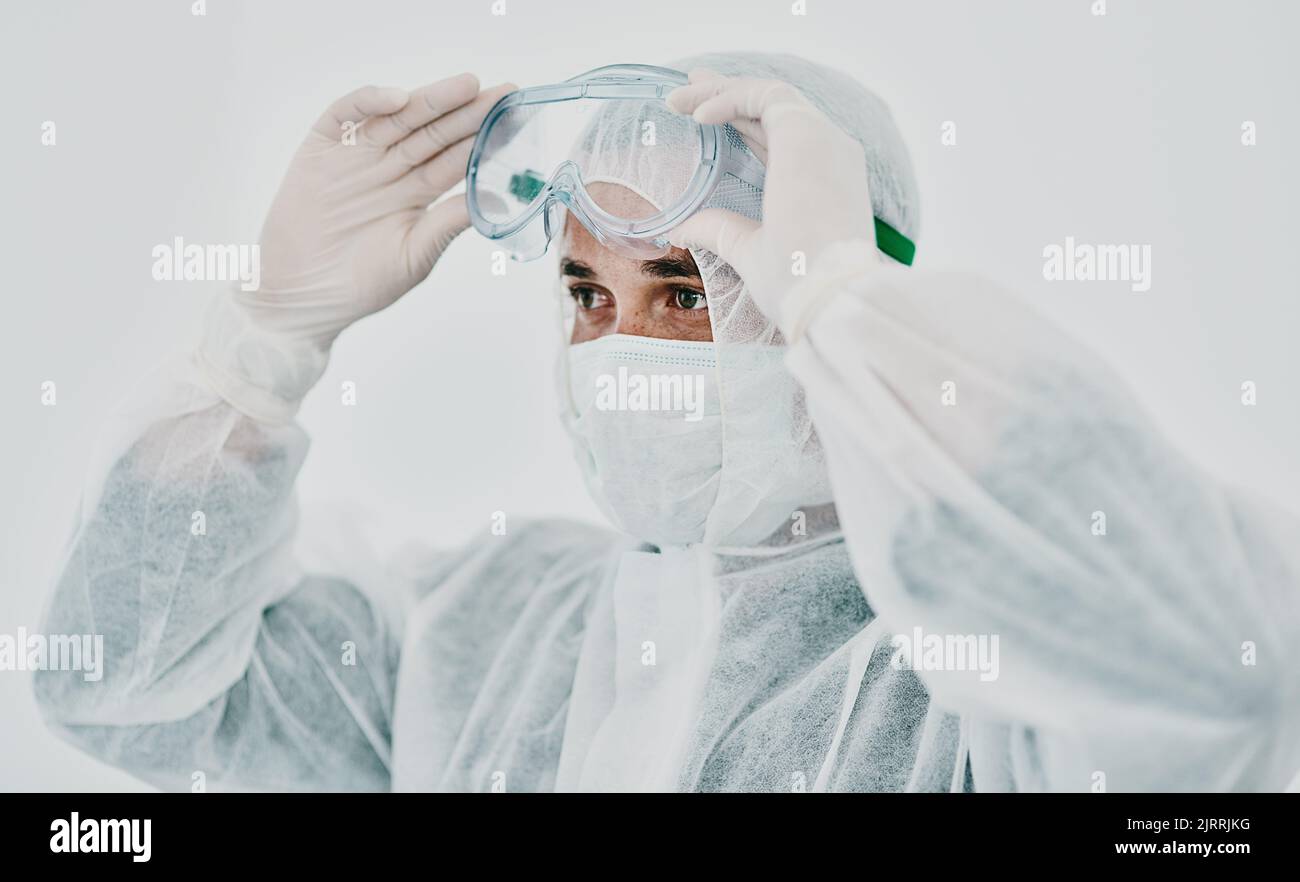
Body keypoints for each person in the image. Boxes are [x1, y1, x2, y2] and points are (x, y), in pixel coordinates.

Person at [33, 52, 1300, 792]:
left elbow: (1210, 674)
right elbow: (130, 697)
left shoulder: (963, 681)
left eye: (686, 290)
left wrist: (846, 299)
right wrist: (260, 346)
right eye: (586, 292)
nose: (617, 349)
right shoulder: (493, 632)